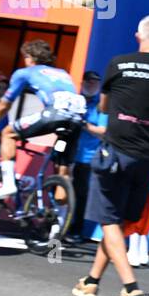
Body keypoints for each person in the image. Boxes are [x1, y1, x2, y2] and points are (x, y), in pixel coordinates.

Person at [71, 16, 149, 296]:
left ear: (139, 37)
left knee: (109, 220)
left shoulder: (119, 63)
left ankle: (130, 287)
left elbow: (103, 105)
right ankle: (91, 280)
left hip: (116, 150)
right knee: (119, 221)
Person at [0, 39, 86, 201]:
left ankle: (8, 184)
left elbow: (4, 104)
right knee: (63, 171)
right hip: (76, 120)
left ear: (30, 58)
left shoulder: (25, 72)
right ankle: (59, 222)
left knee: (8, 133)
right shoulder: (63, 73)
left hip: (55, 114)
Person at [66, 70, 107, 243]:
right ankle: (56, 226)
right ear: (82, 83)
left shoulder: (101, 106)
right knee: (60, 191)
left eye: (95, 83)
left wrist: (84, 124)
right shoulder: (73, 100)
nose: (92, 85)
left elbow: (103, 132)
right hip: (67, 153)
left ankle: (76, 230)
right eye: (89, 82)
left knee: (80, 194)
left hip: (87, 157)